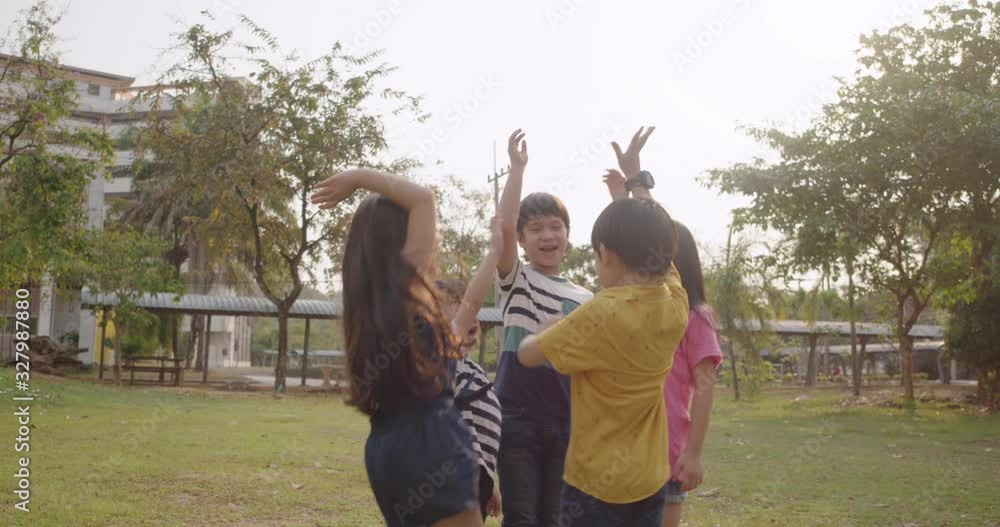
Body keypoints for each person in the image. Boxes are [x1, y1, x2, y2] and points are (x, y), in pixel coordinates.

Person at [311, 168, 482, 527]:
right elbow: (423, 197)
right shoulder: (406, 291)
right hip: (432, 446)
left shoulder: (368, 310)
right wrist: (357, 177)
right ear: (400, 240)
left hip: (387, 452)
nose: (434, 238)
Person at [603, 131, 723, 527]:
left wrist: (694, 453)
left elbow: (704, 389)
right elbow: (636, 239)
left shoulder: (693, 316)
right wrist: (624, 198)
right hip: (622, 448)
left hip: (667, 452)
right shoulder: (640, 307)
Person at [494, 129, 594, 527]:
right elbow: (501, 226)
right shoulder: (515, 279)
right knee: (521, 516)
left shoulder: (588, 298)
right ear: (521, 239)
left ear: (567, 234)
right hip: (516, 414)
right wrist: (517, 170)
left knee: (553, 517)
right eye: (535, 229)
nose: (547, 236)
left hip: (566, 417)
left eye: (555, 226)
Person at [436, 218, 506, 520]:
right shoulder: (441, 361)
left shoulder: (472, 370)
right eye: (458, 305)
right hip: (451, 476)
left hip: (476, 478)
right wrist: (494, 252)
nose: (470, 312)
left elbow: (480, 432)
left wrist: (491, 482)